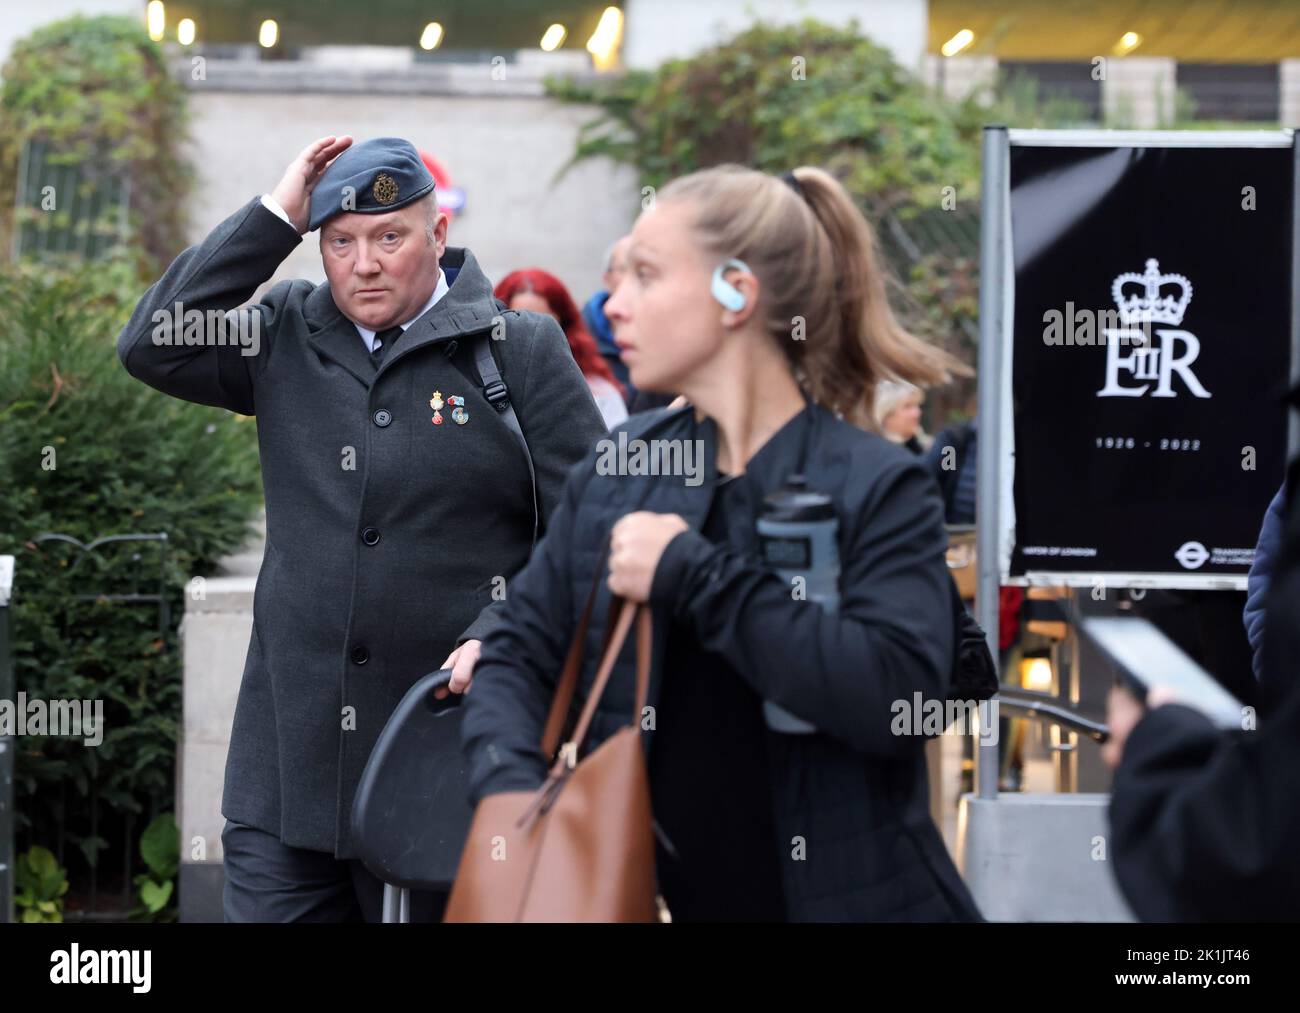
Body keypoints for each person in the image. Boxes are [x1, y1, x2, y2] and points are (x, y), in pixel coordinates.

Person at [459, 163, 979, 922]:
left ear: (737, 291)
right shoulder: (626, 463)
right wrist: (513, 796)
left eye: (646, 274)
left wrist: (692, 575)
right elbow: (514, 651)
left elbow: (898, 695)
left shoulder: (873, 482)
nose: (615, 303)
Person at [115, 135, 606, 922]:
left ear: (437, 235)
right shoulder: (283, 330)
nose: (364, 264)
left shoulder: (517, 351)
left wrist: (507, 629)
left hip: (447, 766)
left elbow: (594, 527)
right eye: (340, 241)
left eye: (390, 236)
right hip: (286, 783)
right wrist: (275, 217)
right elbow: (149, 345)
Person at [495, 268, 628, 430]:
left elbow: (618, 450)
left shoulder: (599, 393)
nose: (531, 336)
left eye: (544, 326)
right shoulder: (481, 389)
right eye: (518, 323)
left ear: (564, 326)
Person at [581, 235, 633, 392]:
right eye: (625, 269)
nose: (634, 279)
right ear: (607, 277)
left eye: (644, 270)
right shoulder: (578, 334)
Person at [875, 379, 930, 454]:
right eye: (907, 406)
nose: (917, 413)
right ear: (886, 413)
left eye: (917, 405)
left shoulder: (922, 448)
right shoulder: (876, 454)